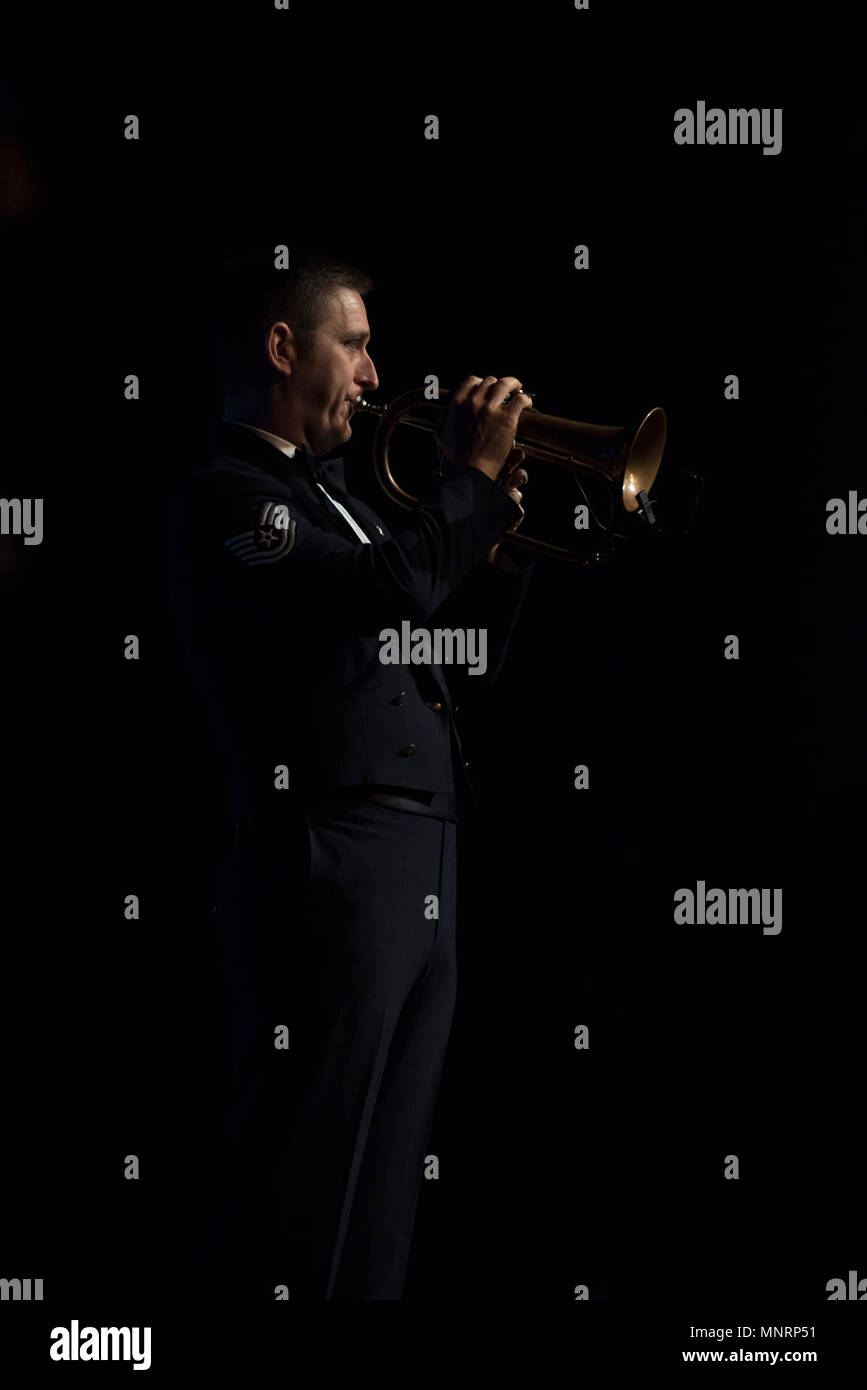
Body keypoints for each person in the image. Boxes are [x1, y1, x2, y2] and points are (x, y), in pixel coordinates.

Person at [167, 248, 535, 1299]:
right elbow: (380, 590)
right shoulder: (230, 498)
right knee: (304, 1180)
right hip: (334, 854)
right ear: (284, 350)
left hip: (422, 849)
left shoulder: (350, 500)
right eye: (356, 343)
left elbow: (451, 646)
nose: (377, 377)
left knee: (382, 1196)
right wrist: (464, 490)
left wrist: (499, 538)